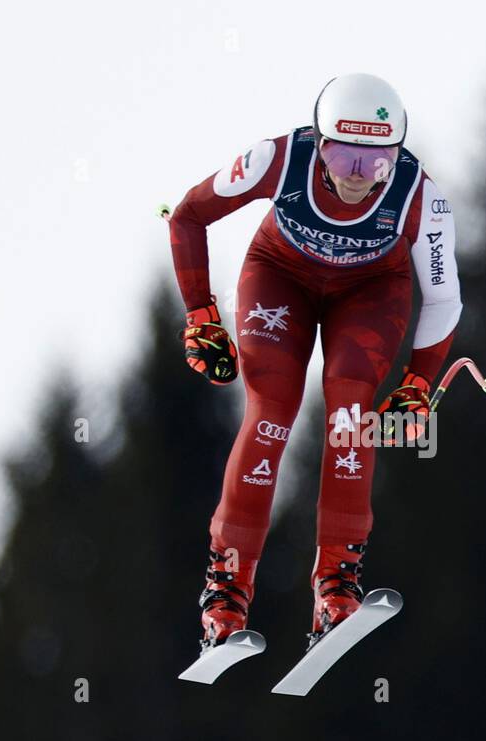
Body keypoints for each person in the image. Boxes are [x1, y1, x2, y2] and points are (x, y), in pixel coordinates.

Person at [168, 72, 462, 650]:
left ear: (396, 158)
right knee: (272, 409)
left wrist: (419, 382)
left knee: (352, 414)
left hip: (371, 289)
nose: (357, 178)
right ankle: (226, 590)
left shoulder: (422, 196)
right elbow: (187, 216)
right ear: (317, 142)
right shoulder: (276, 159)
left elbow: (445, 296)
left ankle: (337, 583)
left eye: (375, 164)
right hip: (281, 276)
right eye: (343, 157)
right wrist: (201, 314)